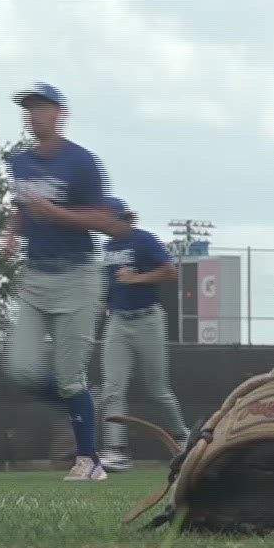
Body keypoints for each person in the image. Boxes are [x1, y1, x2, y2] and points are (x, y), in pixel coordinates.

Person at [1, 82, 126, 481]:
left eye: (40, 108)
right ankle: (77, 405)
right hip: (36, 276)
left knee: (71, 376)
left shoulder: (83, 162)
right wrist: (11, 233)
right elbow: (20, 207)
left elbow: (106, 222)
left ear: (59, 113)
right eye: (28, 109)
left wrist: (56, 214)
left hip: (78, 276)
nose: (33, 115)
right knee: (20, 367)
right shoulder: (19, 162)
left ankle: (89, 461)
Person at [97, 198, 190, 471]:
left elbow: (172, 272)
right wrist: (106, 302)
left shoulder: (144, 240)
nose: (103, 225)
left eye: (108, 219)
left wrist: (137, 278)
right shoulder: (108, 246)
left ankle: (182, 438)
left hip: (147, 319)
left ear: (121, 218)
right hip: (118, 321)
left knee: (157, 390)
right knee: (112, 387)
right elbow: (112, 283)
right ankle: (116, 450)